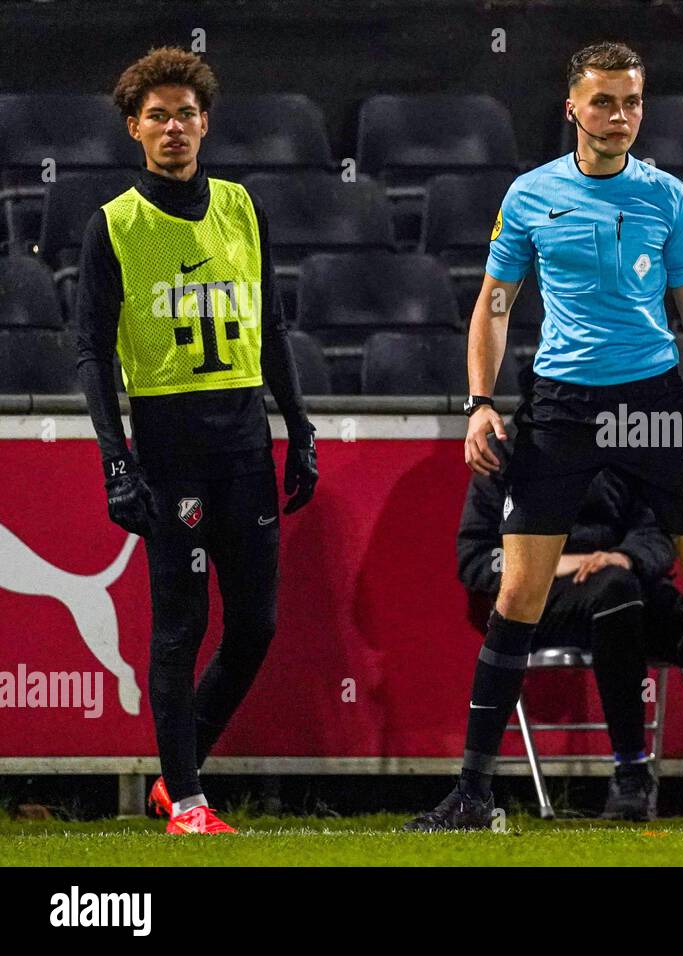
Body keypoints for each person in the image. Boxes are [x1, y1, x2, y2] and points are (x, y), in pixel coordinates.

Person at [404, 40, 683, 832]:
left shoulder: (670, 198)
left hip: (654, 403)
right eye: (604, 101)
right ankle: (472, 794)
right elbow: (495, 304)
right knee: (517, 595)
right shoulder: (531, 194)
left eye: (633, 102)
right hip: (562, 408)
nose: (620, 116)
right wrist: (479, 401)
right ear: (571, 107)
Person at [75, 47, 318, 834]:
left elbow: (273, 326)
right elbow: (90, 353)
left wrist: (301, 430)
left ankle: (175, 770)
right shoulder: (114, 225)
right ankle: (187, 801)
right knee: (180, 627)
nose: (173, 127)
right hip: (171, 450)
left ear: (205, 123)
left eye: (185, 114)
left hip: (245, 446)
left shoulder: (242, 207)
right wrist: (117, 460)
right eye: (157, 116)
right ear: (133, 129)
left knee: (257, 626)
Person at [457, 427, 683, 820]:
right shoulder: (505, 450)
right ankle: (631, 770)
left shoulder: (628, 446)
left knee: (681, 619)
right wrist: (556, 564)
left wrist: (625, 557)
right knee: (617, 593)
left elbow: (656, 533)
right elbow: (476, 558)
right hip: (540, 602)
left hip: (624, 587)